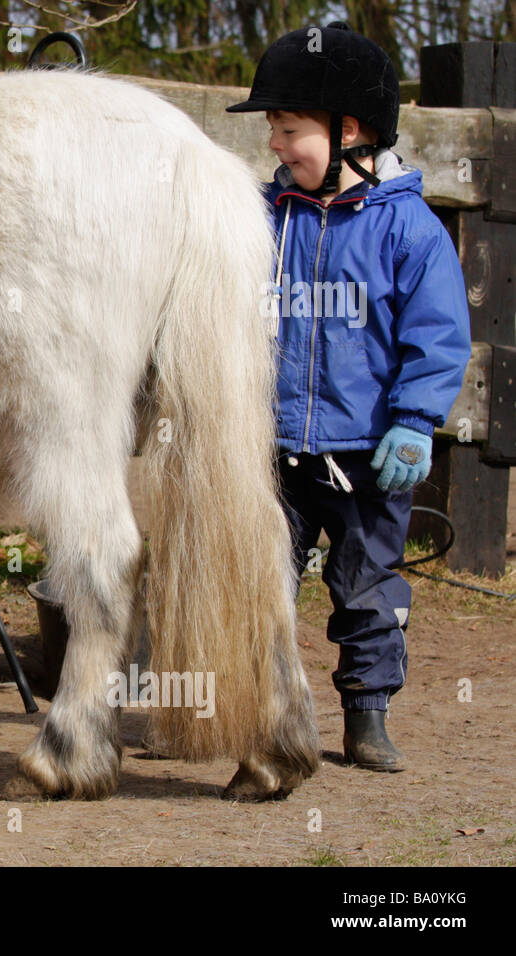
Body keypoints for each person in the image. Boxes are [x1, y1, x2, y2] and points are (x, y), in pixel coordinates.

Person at [227, 24, 471, 771]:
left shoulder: (410, 230)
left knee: (366, 590)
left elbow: (436, 334)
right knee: (261, 586)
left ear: (351, 131)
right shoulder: (265, 220)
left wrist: (414, 421)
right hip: (276, 450)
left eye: (290, 127)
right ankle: (265, 719)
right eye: (271, 126)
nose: (275, 142)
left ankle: (367, 716)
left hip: (368, 457)